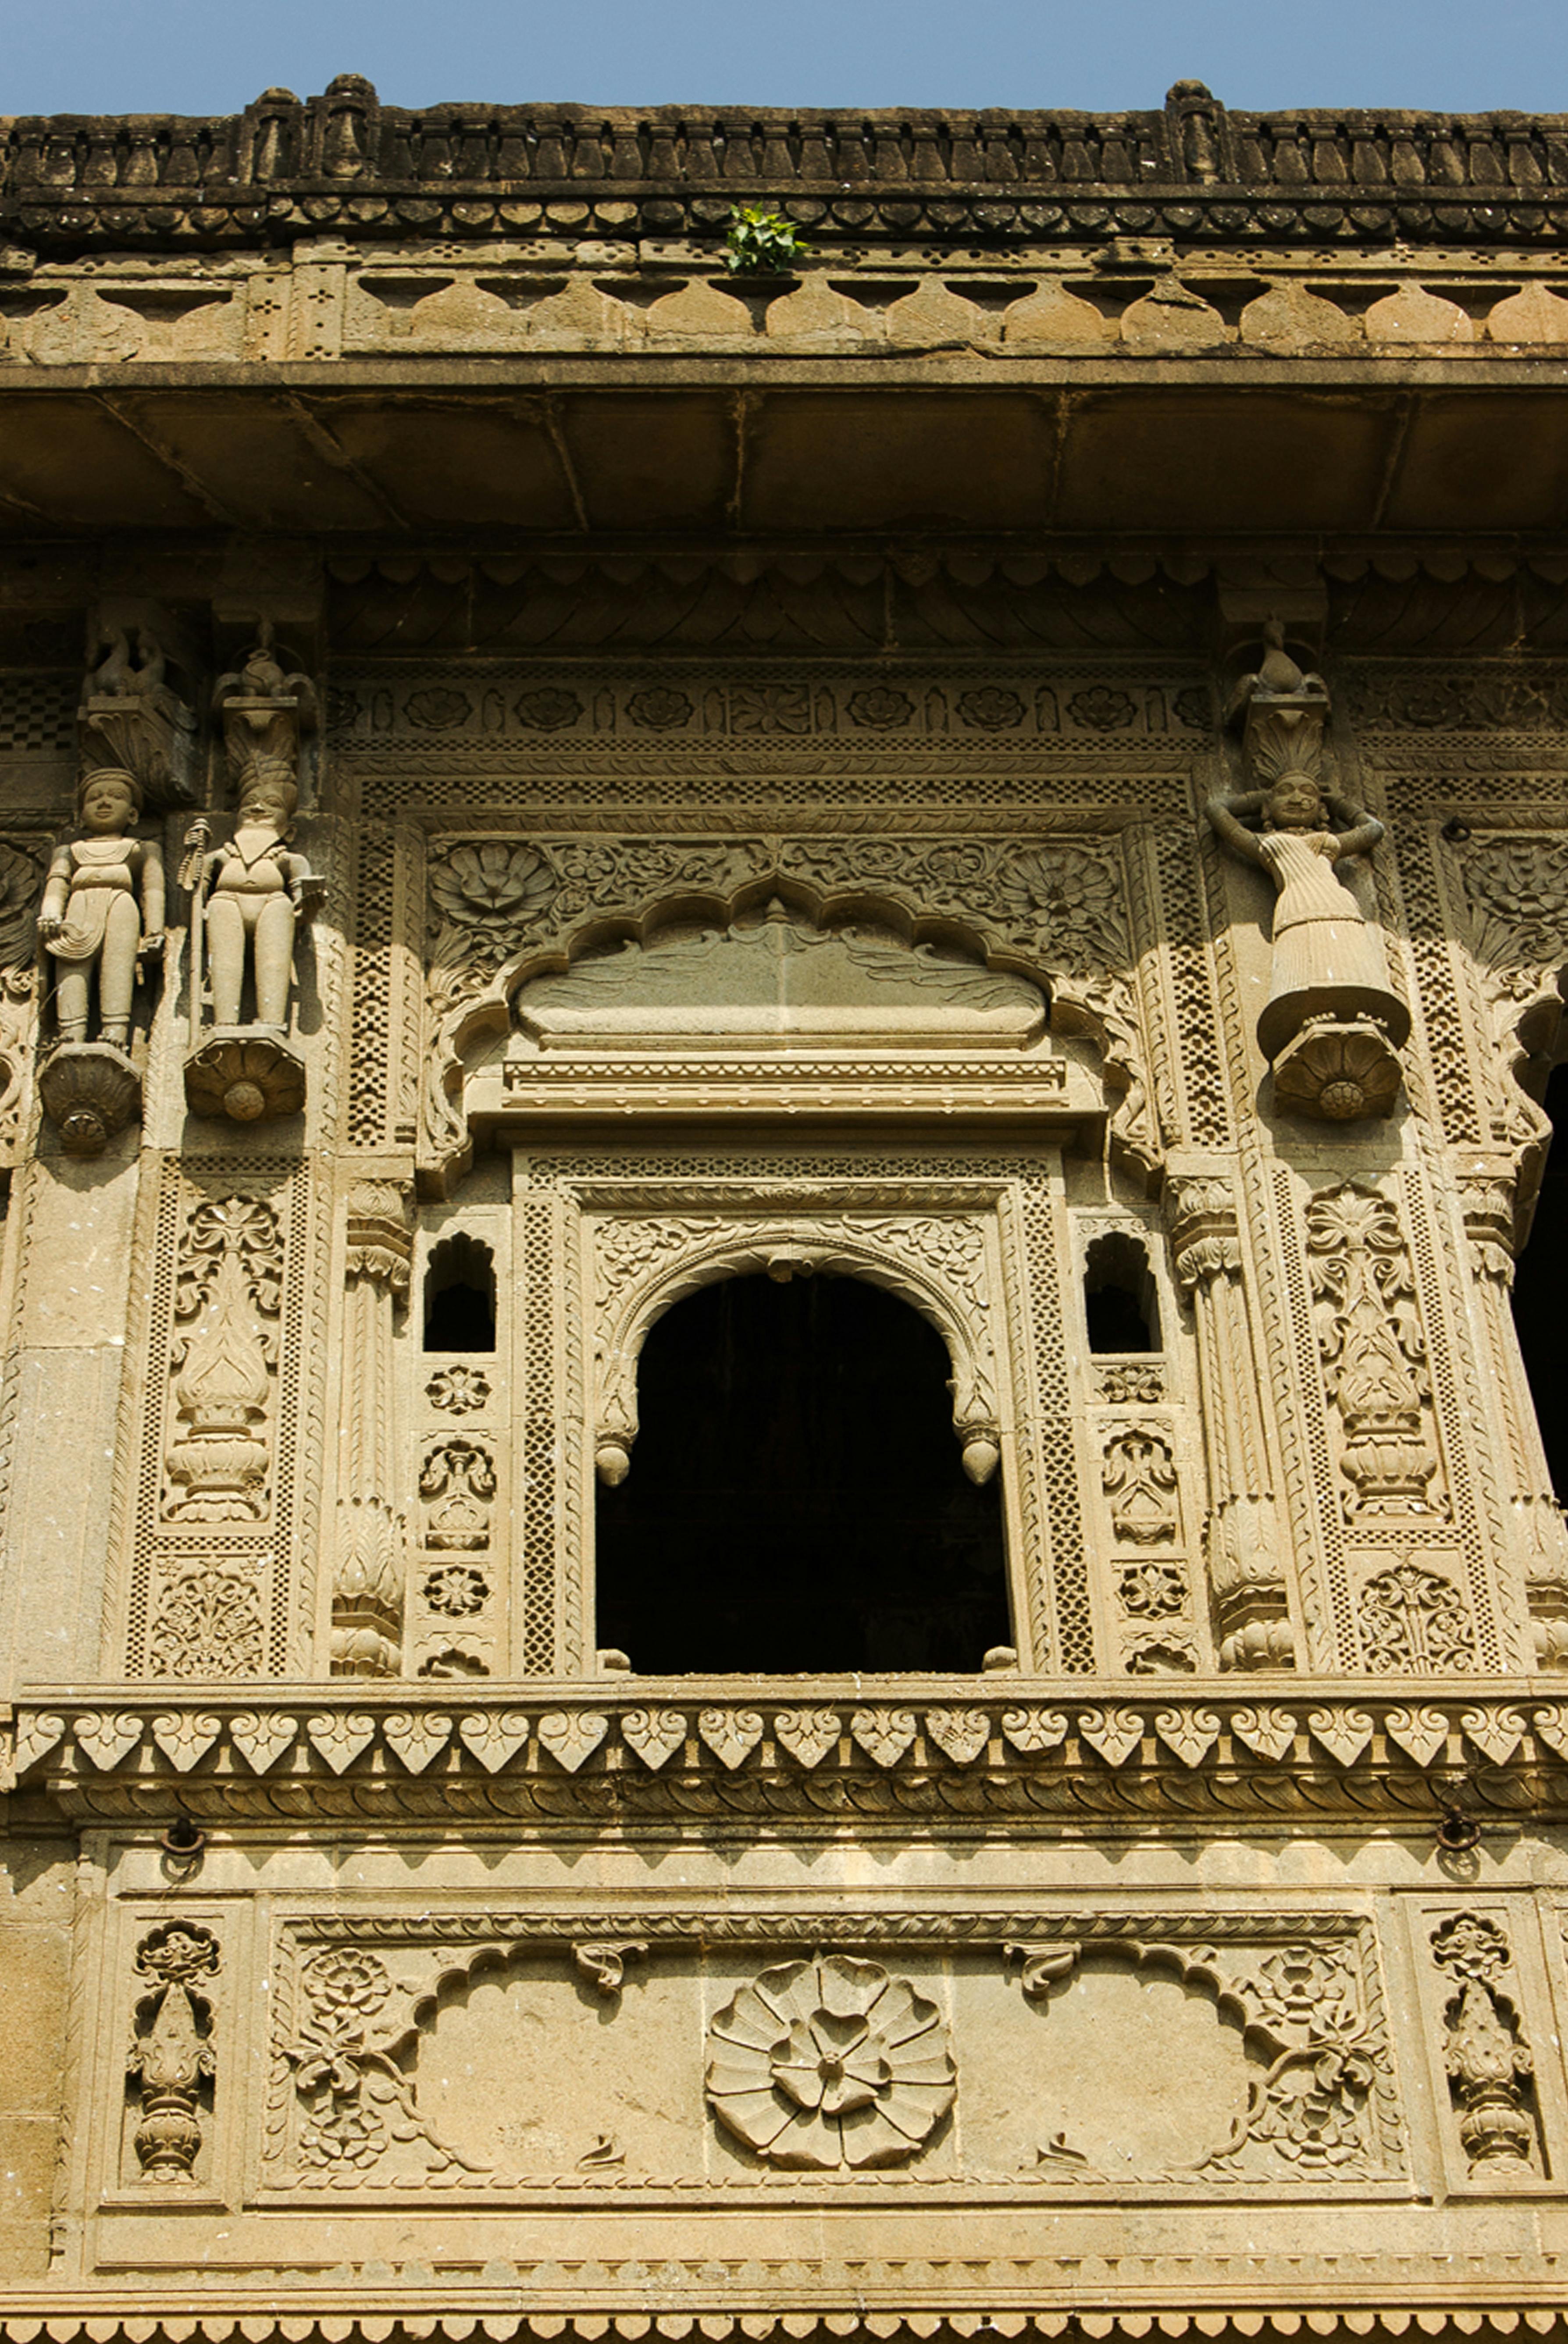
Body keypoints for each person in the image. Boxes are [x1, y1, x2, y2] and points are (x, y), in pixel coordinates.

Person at [1205, 769, 1394, 1062]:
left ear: (1321, 809)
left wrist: (1337, 801)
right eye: (1286, 792)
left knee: (1346, 951)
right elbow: (1217, 811)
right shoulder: (1269, 844)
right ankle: (1312, 1012)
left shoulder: (1327, 842)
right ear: (1268, 808)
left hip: (1337, 901)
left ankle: (1359, 1009)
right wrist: (1259, 799)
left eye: (1308, 793)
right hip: (1298, 901)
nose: (1297, 799)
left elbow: (1373, 830)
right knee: (1306, 951)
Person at [39, 767, 164, 1047]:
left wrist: (155, 930)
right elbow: (57, 884)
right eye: (95, 798)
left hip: (121, 907)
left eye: (116, 797)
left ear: (133, 814)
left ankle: (115, 1031)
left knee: (118, 965)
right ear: (82, 815)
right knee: (72, 967)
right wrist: (50, 913)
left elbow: (153, 890)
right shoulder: (68, 852)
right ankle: (70, 1031)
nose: (105, 803)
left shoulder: (141, 849)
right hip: (78, 909)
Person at [198, 762, 319, 1033]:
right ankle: (223, 1021)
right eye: (250, 803)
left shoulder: (290, 860)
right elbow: (193, 891)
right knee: (225, 963)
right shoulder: (220, 856)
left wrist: (308, 907)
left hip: (274, 906)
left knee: (273, 963)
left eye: (271, 803)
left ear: (289, 831)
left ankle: (272, 1022)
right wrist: (194, 857)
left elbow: (302, 909)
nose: (258, 808)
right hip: (225, 903)